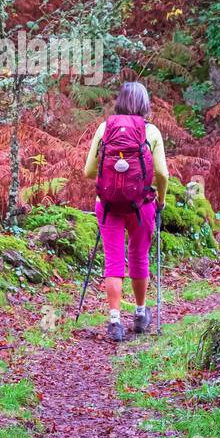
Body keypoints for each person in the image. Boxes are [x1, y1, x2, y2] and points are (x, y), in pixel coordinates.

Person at [83, 81, 169, 341]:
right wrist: (161, 200)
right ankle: (141, 314)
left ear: (119, 101)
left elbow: (88, 172)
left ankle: (114, 321)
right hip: (141, 205)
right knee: (139, 257)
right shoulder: (151, 131)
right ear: (145, 104)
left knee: (113, 261)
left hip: (108, 205)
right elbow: (163, 174)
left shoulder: (104, 128)